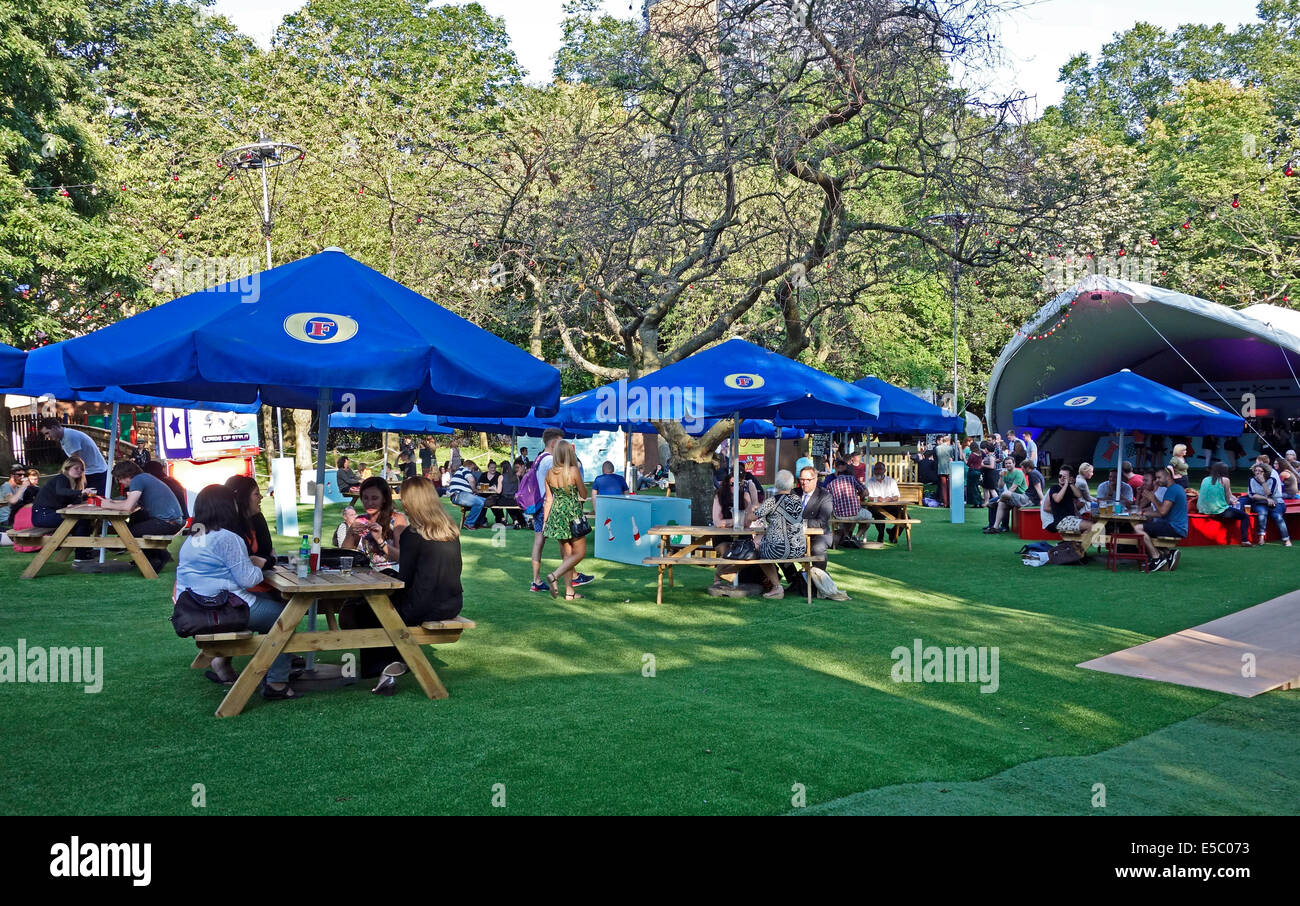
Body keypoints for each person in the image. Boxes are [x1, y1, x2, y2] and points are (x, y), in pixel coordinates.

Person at [177, 485, 302, 699]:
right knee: (286, 615)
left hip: (194, 608)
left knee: (272, 606)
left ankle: (261, 667)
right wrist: (257, 565)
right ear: (227, 506)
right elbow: (248, 579)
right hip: (222, 607)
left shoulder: (195, 536)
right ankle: (277, 682)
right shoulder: (227, 537)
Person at [339, 477, 463, 685]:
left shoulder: (413, 534)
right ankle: (389, 664)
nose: (403, 503)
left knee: (366, 611)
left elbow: (406, 579)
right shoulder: (450, 530)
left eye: (405, 499)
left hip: (422, 605)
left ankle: (386, 667)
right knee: (374, 607)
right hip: (452, 603)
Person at [99, 460, 186, 571]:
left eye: (119, 478)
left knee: (129, 534)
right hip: (173, 521)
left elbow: (128, 507)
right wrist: (112, 503)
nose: (120, 482)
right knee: (137, 517)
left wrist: (107, 505)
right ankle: (159, 555)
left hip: (168, 523)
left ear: (126, 475)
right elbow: (132, 504)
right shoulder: (143, 477)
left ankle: (153, 561)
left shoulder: (137, 480)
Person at [542, 441, 590, 600]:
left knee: (568, 555)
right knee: (580, 553)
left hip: (556, 516)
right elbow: (583, 495)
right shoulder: (573, 470)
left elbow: (548, 500)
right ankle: (554, 575)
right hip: (572, 514)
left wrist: (545, 522)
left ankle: (570, 593)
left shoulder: (549, 473)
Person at [749, 470, 807, 600]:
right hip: (799, 549)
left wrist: (753, 507)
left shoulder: (772, 501)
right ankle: (791, 580)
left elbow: (752, 517)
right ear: (791, 484)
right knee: (771, 547)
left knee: (760, 552)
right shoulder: (797, 500)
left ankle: (777, 587)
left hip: (780, 549)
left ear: (776, 484)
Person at [30, 457, 96, 559]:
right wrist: (81, 492)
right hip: (43, 516)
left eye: (82, 469)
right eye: (76, 468)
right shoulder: (62, 478)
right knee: (81, 521)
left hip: (48, 514)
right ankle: (81, 556)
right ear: (67, 468)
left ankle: (85, 551)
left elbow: (71, 500)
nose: (79, 471)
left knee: (84, 520)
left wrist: (85, 499)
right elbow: (61, 491)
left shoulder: (72, 483)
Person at [341, 476, 407, 567]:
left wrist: (380, 541)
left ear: (384, 499)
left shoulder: (397, 519)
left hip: (393, 573)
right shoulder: (361, 520)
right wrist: (351, 532)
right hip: (368, 573)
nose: (369, 503)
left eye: (374, 498)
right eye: (365, 498)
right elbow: (345, 555)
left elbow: (402, 557)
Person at [1135, 466, 1189, 570]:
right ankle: (1168, 554)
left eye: (1159, 478)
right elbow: (1161, 511)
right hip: (1177, 526)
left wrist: (1153, 498)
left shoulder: (1172, 490)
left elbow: (1162, 512)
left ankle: (1156, 558)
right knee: (1148, 528)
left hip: (1174, 527)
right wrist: (1143, 512)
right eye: (1156, 478)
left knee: (1138, 528)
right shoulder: (1176, 488)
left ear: (1168, 477)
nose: (1157, 481)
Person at [39, 418, 109, 494]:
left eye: (47, 433)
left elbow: (76, 462)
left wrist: (64, 477)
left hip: (96, 473)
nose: (47, 437)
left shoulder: (69, 438)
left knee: (94, 499)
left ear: (54, 428)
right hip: (91, 471)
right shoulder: (65, 435)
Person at [710, 472, 755, 584]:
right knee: (728, 551)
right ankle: (719, 578)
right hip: (723, 537)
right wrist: (736, 521)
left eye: (738, 484)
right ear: (726, 484)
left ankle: (721, 575)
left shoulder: (745, 496)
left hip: (743, 536)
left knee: (751, 554)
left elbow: (748, 521)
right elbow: (717, 522)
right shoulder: (719, 496)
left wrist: (730, 522)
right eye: (732, 484)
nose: (735, 487)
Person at [1197, 462, 1252, 545]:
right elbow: (1227, 499)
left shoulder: (1205, 479)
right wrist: (1232, 502)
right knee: (1245, 516)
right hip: (1218, 510)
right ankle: (1245, 540)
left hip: (1202, 509)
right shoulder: (1225, 480)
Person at [1247, 462, 1291, 547]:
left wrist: (1263, 483)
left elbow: (1269, 494)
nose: (1257, 473)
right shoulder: (1251, 480)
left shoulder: (1272, 480)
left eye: (1260, 471)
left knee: (1277, 516)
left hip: (1276, 501)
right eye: (1256, 471)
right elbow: (1253, 495)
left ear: (1266, 472)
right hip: (1260, 502)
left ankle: (1286, 539)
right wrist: (1266, 499)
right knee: (1262, 513)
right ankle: (1261, 537)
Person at [823, 461, 866, 548]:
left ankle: (846, 537)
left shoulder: (834, 482)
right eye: (841, 470)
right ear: (836, 468)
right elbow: (824, 493)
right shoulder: (830, 478)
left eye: (844, 470)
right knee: (856, 514)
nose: (843, 472)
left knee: (849, 514)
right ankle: (851, 537)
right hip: (837, 510)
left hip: (839, 512)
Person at [861, 461, 901, 544]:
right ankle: (881, 534)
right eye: (876, 469)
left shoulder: (891, 481)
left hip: (890, 505)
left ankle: (893, 533)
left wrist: (890, 499)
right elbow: (866, 497)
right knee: (878, 515)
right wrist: (876, 499)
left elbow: (897, 496)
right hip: (874, 506)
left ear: (884, 470)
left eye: (880, 469)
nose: (878, 471)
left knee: (906, 517)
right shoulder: (869, 482)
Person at [985, 456, 1028, 533]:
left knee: (1003, 502)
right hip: (1009, 494)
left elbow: (1013, 488)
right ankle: (991, 525)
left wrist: (1002, 498)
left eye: (1009, 463)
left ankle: (1004, 526)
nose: (1008, 465)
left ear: (1014, 464)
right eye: (1006, 463)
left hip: (1020, 495)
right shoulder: (1005, 473)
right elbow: (1000, 486)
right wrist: (1001, 477)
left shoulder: (1018, 473)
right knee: (992, 501)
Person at [1043, 465, 1087, 533]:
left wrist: (1071, 483)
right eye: (1060, 476)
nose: (1061, 478)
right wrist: (1066, 484)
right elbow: (1057, 499)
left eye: (1064, 477)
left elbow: (1079, 495)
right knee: (1090, 526)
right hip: (1061, 521)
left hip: (1071, 519)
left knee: (1094, 526)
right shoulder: (1054, 488)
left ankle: (1081, 539)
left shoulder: (1070, 488)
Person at [446, 460, 487, 530]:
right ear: (469, 465)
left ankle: (479, 522)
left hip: (462, 495)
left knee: (486, 501)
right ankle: (468, 523)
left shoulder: (460, 471)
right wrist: (474, 490)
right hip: (459, 494)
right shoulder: (465, 469)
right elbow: (472, 480)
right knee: (479, 503)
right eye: (473, 468)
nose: (473, 471)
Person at [1, 463, 28, 528]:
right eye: (19, 475)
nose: (22, 477)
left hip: (15, 517)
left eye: (24, 475)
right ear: (12, 476)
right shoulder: (6, 487)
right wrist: (23, 487)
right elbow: (13, 501)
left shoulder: (17, 488)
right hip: (5, 520)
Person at [933, 435, 955, 507]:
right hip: (949, 468)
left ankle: (945, 503)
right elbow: (952, 457)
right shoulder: (950, 448)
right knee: (949, 486)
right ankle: (950, 502)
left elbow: (936, 458)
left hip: (941, 468)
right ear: (948, 441)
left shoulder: (937, 448)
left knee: (943, 486)